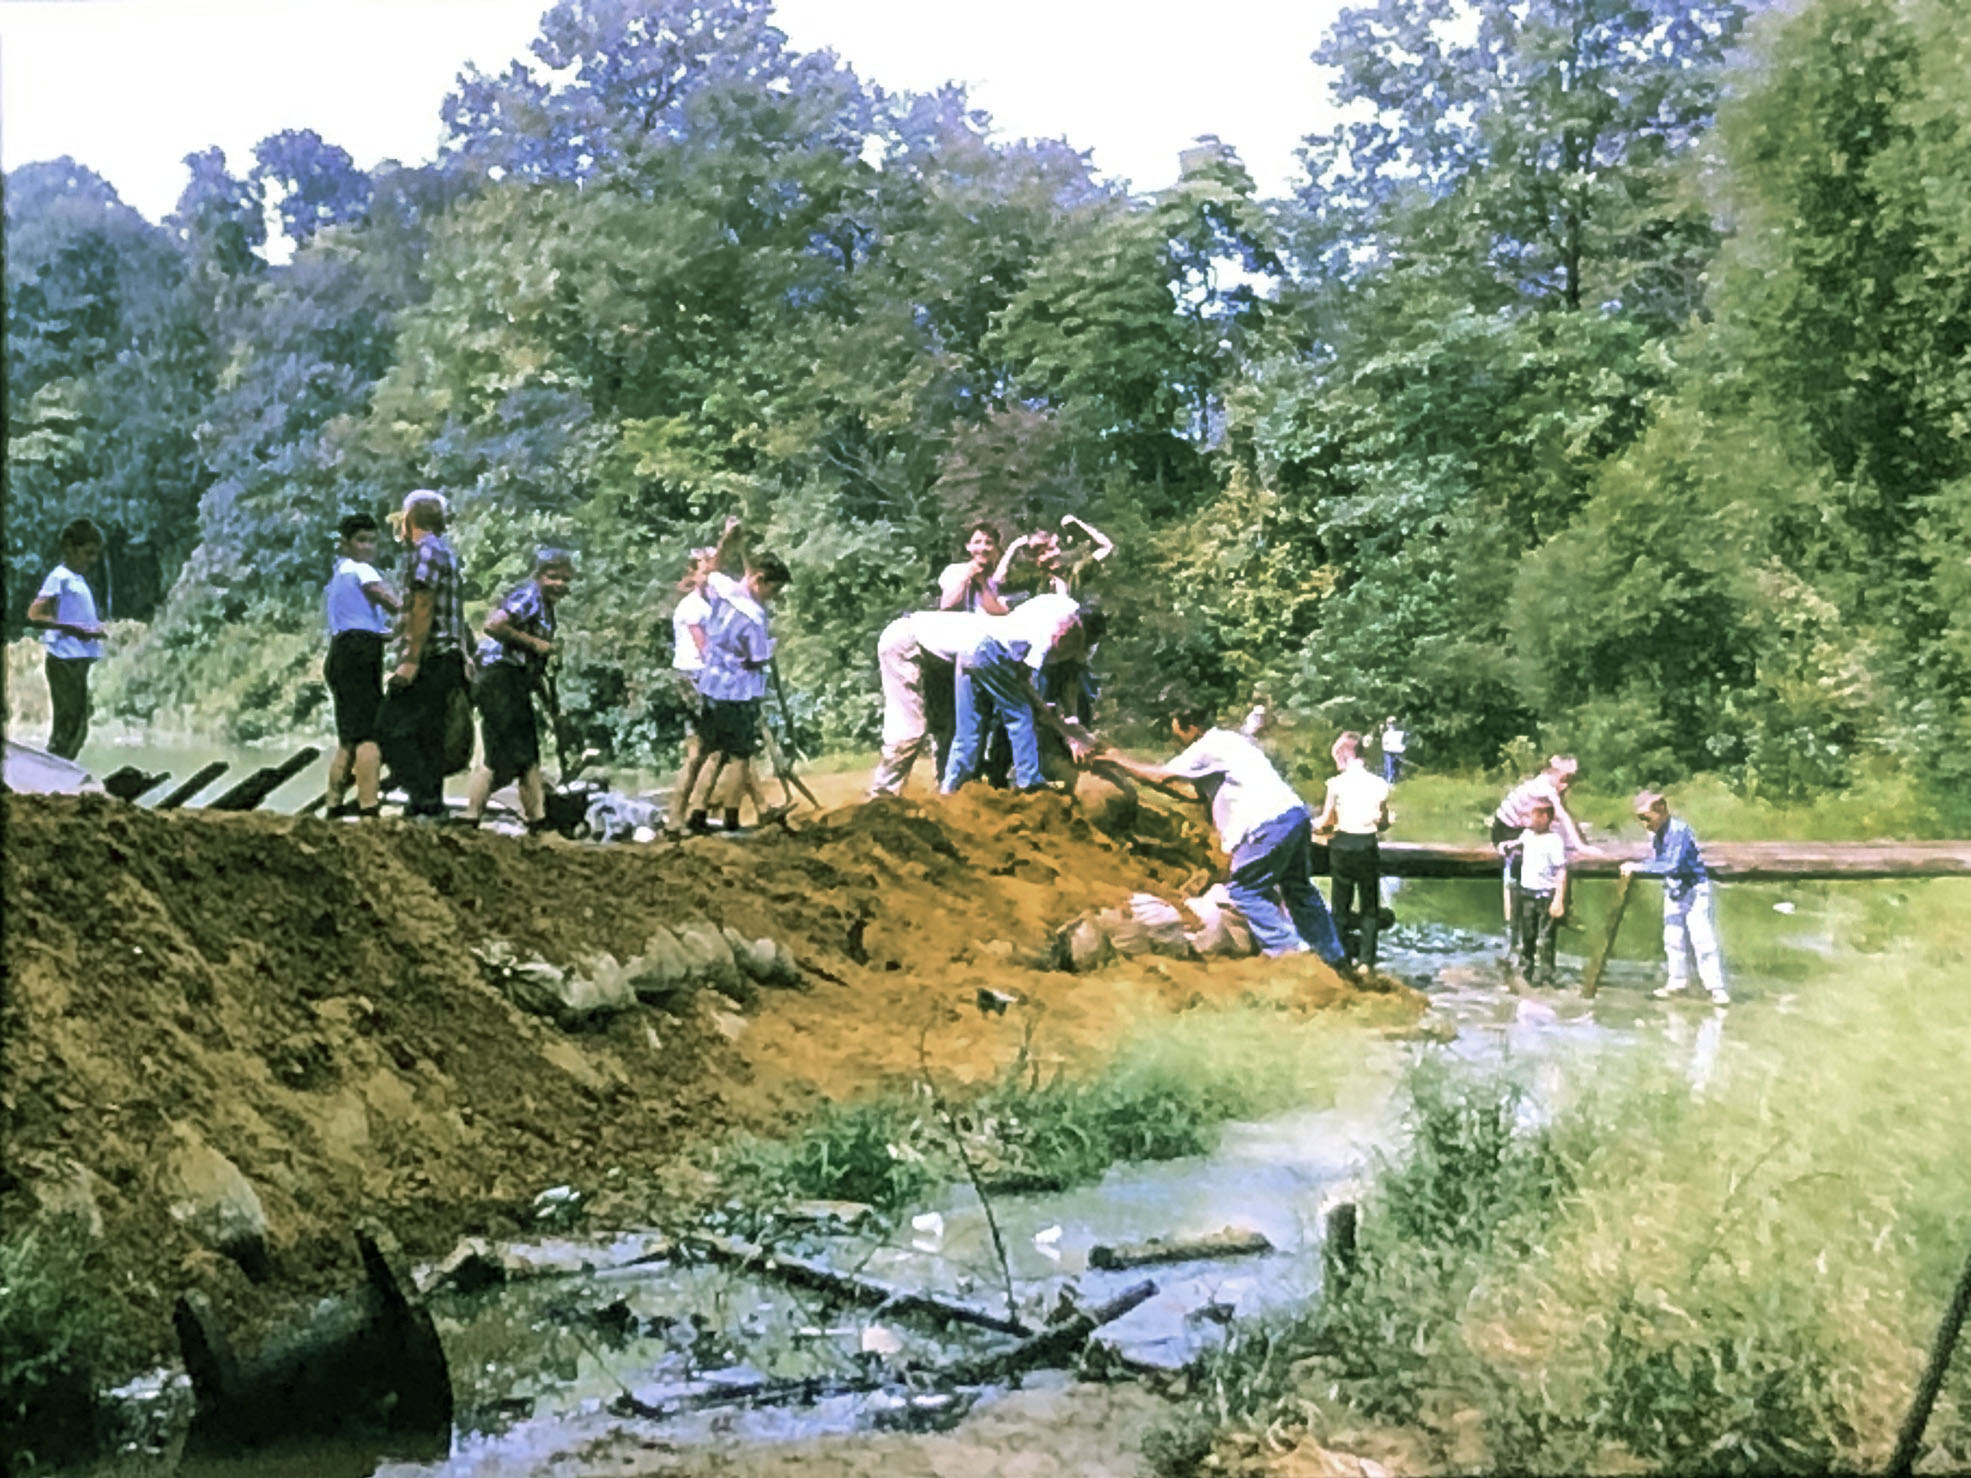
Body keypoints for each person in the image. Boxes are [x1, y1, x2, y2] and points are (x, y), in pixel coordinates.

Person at [1097, 702, 1350, 968]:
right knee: (1298, 887)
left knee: (1244, 890)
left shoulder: (1206, 747)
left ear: (1188, 726)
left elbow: (1161, 777)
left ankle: (1288, 953)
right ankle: (1333, 954)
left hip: (1264, 824)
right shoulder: (1232, 741)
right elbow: (1193, 794)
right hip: (1293, 816)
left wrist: (1116, 760)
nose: (1175, 738)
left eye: (1176, 731)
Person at [683, 520, 793, 833]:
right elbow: (757, 658)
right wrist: (771, 648)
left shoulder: (723, 589)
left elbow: (711, 570)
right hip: (739, 692)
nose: (773, 596)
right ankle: (731, 818)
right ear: (760, 580)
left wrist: (726, 540)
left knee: (714, 753)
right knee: (740, 757)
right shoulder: (754, 617)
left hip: (711, 686)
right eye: (773, 589)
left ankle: (697, 813)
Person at [939, 593, 1100, 794]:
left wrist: (1070, 720)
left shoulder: (1071, 623)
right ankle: (1029, 782)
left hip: (968, 649)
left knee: (969, 728)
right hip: (989, 650)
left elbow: (1070, 676)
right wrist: (1045, 711)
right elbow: (1023, 679)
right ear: (1069, 632)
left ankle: (950, 788)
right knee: (1021, 716)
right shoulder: (1049, 632)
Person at [461, 548, 575, 830]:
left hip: (515, 680)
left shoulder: (546, 610)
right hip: (499, 676)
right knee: (522, 754)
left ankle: (473, 817)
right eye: (552, 577)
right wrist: (534, 643)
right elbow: (494, 625)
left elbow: (535, 668)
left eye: (564, 579)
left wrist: (552, 708)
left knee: (507, 756)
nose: (559, 584)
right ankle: (537, 822)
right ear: (539, 576)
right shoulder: (528, 596)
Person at [377, 490, 470, 822]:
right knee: (429, 735)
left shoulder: (426, 552)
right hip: (447, 656)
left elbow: (423, 605)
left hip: (430, 657)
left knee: (389, 728)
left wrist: (411, 659)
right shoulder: (445, 552)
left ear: (410, 519)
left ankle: (424, 799)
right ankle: (426, 806)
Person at [321, 513, 400, 818]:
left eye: (372, 541)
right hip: (359, 655)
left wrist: (388, 633)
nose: (368, 547)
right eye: (361, 541)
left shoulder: (338, 576)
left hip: (340, 652)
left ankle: (333, 805)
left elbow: (360, 622)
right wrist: (414, 613)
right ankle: (369, 806)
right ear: (345, 544)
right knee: (370, 735)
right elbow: (388, 600)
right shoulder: (361, 570)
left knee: (348, 737)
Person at [868, 608, 993, 796]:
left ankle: (947, 791)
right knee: (910, 730)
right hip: (905, 644)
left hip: (936, 656)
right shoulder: (997, 642)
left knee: (949, 726)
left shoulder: (1003, 636)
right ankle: (882, 795)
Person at [1623, 790, 1730, 1005]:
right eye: (1640, 819)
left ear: (1661, 811)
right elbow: (1657, 859)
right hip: (1674, 889)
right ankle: (1677, 982)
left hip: (1694, 889)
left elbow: (1672, 864)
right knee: (1673, 937)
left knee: (1702, 938)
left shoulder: (1679, 830)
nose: (1644, 824)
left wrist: (1638, 867)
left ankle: (1716, 988)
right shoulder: (1657, 833)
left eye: (1646, 818)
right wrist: (1641, 863)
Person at [1492, 755, 1593, 952]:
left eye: (1570, 781)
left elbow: (1565, 815)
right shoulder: (1543, 787)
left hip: (1525, 827)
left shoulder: (1552, 787)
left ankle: (1562, 906)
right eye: (1564, 779)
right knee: (1521, 868)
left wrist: (1580, 842)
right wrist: (1581, 846)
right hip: (1507, 831)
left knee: (1562, 856)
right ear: (1551, 772)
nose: (1566, 786)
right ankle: (1514, 926)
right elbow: (1562, 815)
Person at [26, 518, 107, 760]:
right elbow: (35, 614)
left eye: (95, 554)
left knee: (79, 726)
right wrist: (74, 629)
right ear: (70, 548)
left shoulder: (77, 580)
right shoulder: (59, 577)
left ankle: (62, 767)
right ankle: (54, 768)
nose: (92, 560)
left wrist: (92, 630)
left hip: (78, 660)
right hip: (64, 660)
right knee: (67, 725)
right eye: (88, 553)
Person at [1315, 730, 1392, 970]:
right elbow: (1383, 822)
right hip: (1367, 845)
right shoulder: (1379, 784)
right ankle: (1366, 962)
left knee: (1340, 906)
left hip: (1342, 845)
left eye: (1336, 757)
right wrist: (1385, 821)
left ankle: (1340, 959)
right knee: (1370, 907)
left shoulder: (1336, 784)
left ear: (1344, 755)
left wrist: (1310, 826)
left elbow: (1326, 821)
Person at [664, 541, 720, 835]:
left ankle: (696, 814)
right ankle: (676, 817)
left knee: (717, 750)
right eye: (706, 572)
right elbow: (706, 650)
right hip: (695, 677)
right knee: (701, 751)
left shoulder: (712, 603)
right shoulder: (692, 608)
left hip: (708, 677)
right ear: (693, 574)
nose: (711, 578)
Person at [1508, 798, 1569, 986]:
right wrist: (1508, 847)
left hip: (1546, 896)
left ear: (1544, 817)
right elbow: (1517, 844)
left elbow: (1561, 871)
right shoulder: (1527, 835)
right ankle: (1526, 972)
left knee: (1546, 939)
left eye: (1531, 815)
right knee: (1527, 935)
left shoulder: (1554, 841)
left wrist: (1558, 899)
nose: (1527, 819)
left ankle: (1547, 974)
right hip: (1527, 894)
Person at [937, 523, 1011, 615]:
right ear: (968, 546)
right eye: (977, 542)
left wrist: (982, 585)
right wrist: (966, 577)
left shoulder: (996, 579)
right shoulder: (954, 571)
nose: (982, 548)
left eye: (988, 543)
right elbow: (947, 605)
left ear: (995, 548)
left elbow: (999, 612)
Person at [1378, 716, 1408, 785]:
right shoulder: (1401, 732)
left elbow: (1384, 745)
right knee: (1394, 768)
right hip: (1396, 752)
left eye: (1392, 723)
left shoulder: (1389, 733)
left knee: (1391, 767)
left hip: (1391, 752)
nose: (1391, 725)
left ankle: (1391, 780)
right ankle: (1393, 780)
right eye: (1390, 723)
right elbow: (1406, 741)